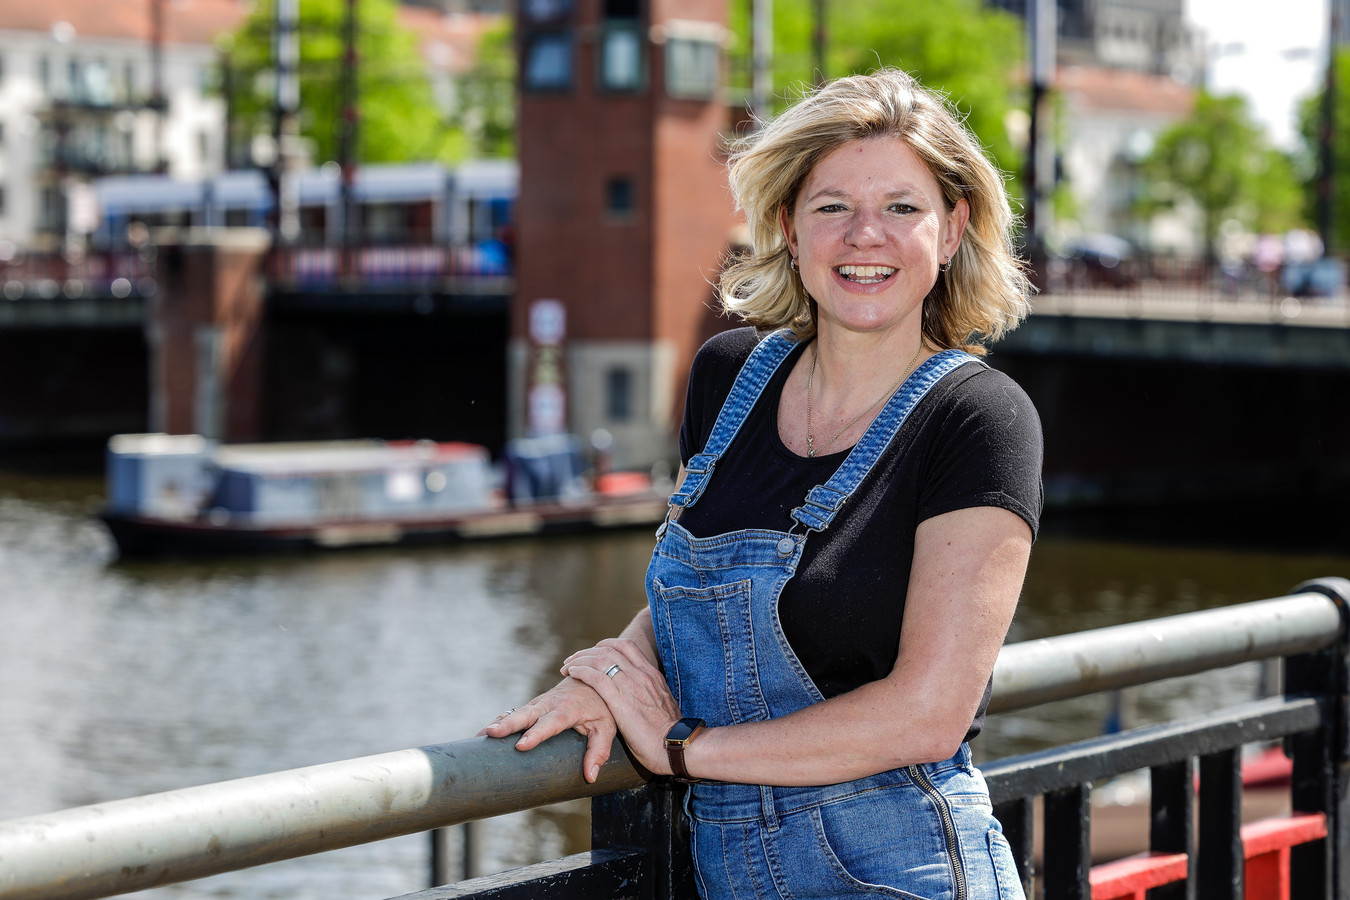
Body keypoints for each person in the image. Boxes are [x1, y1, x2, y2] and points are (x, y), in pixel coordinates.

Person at [483, 68, 1042, 900]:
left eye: (901, 207)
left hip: (903, 874)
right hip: (727, 877)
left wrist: (680, 749)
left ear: (952, 230)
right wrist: (607, 674)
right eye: (832, 208)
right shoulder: (727, 376)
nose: (865, 236)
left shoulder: (980, 419)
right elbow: (703, 594)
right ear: (786, 225)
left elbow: (929, 712)